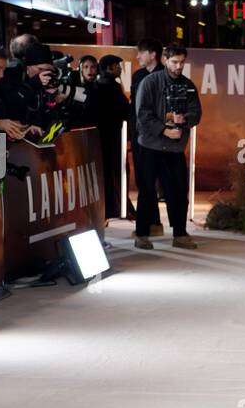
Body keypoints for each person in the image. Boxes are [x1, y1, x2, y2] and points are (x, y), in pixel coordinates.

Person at [134, 42, 201, 249]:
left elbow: (196, 113)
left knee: (179, 191)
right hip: (151, 145)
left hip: (174, 148)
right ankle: (142, 234)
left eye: (182, 62)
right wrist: (164, 129)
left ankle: (179, 234)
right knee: (146, 191)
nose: (178, 66)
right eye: (174, 62)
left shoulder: (188, 85)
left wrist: (184, 120)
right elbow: (142, 113)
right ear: (165, 60)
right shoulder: (150, 82)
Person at [85, 53, 130, 218]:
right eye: (117, 66)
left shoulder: (98, 87)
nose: (120, 69)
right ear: (109, 68)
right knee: (114, 173)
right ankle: (115, 207)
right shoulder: (111, 88)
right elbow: (126, 112)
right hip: (111, 139)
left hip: (102, 139)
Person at [128, 38, 162, 230]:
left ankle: (153, 224)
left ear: (152, 54)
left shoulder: (164, 76)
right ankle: (151, 222)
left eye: (141, 52)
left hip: (159, 137)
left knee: (159, 181)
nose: (138, 56)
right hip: (140, 136)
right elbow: (134, 107)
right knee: (143, 180)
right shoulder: (138, 75)